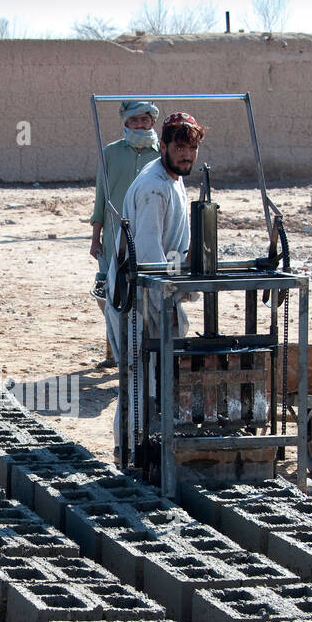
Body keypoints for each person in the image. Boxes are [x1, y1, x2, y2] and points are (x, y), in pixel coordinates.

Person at [104, 110, 207, 461]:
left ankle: (153, 451)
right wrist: (173, 292)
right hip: (138, 298)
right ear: (162, 146)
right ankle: (130, 454)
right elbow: (149, 258)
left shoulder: (174, 179)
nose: (186, 155)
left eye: (191, 148)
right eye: (179, 147)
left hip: (158, 294)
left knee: (158, 377)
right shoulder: (153, 188)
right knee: (138, 378)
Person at [90, 101, 160, 366]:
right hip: (113, 235)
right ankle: (113, 352)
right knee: (112, 293)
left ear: (152, 122)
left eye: (144, 119)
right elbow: (101, 198)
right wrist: (96, 236)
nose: (140, 124)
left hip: (147, 234)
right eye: (135, 120)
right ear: (125, 123)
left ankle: (142, 353)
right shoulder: (110, 153)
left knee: (143, 293)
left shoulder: (160, 156)